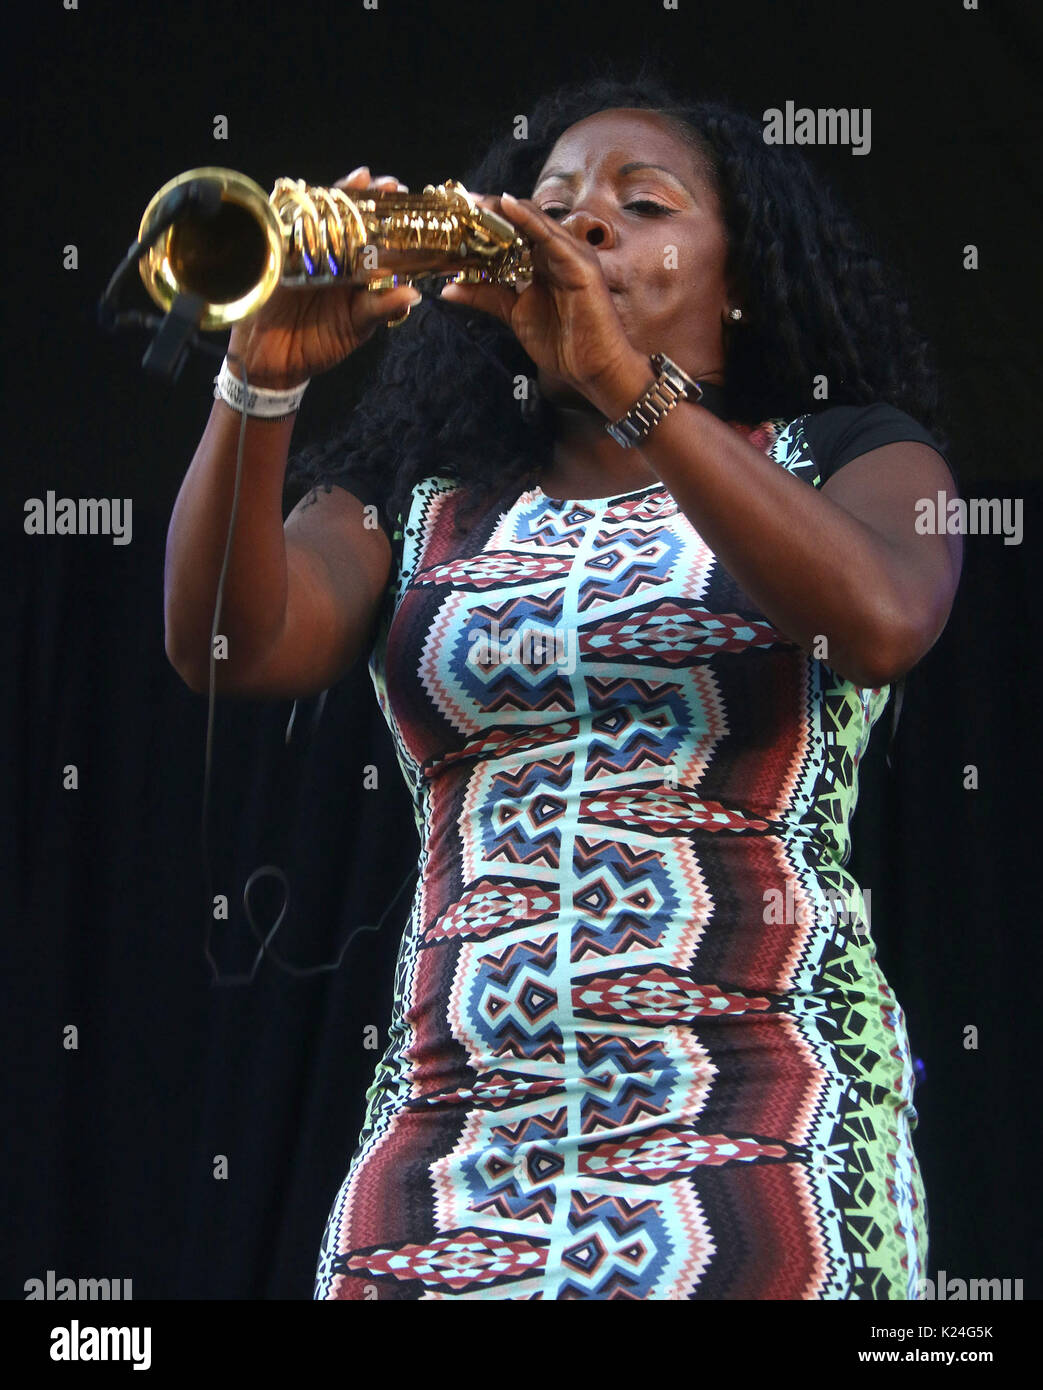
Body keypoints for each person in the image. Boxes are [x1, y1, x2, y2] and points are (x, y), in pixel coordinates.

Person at [164, 74, 963, 1299]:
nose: (585, 218)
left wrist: (625, 387)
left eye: (641, 204)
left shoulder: (844, 453)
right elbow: (224, 644)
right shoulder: (423, 496)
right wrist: (260, 378)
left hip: (756, 1121)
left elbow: (882, 619)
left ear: (736, 279)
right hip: (450, 1137)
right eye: (552, 200)